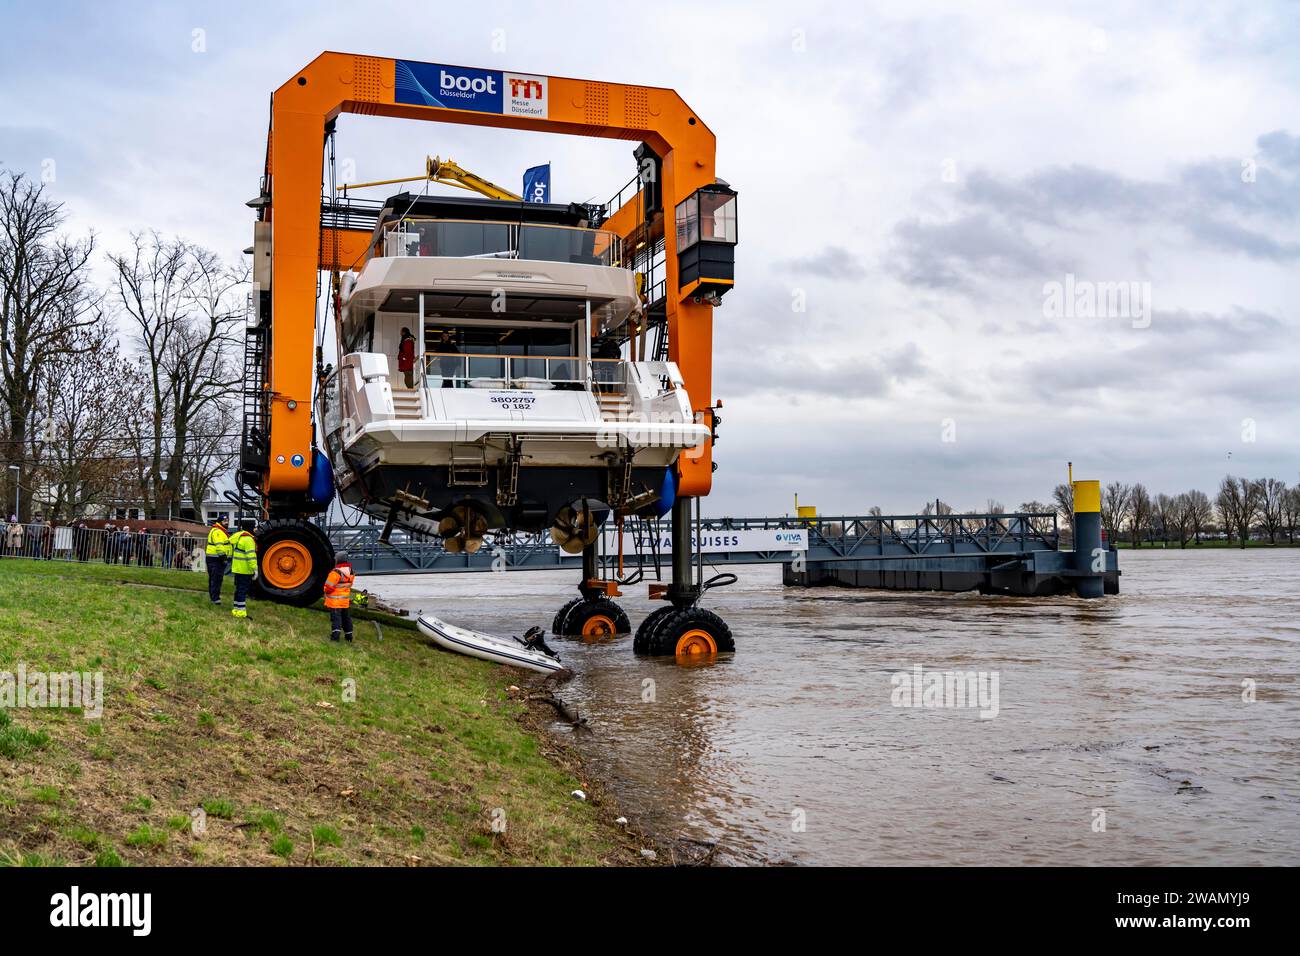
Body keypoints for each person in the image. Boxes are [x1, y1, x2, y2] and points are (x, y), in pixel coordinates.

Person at [322, 553, 356, 642]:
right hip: (344, 601)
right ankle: (349, 636)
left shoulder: (336, 572)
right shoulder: (351, 571)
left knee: (336, 619)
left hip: (335, 602)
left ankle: (335, 637)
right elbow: (350, 585)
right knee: (346, 619)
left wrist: (325, 591)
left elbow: (328, 586)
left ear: (338, 560)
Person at [228, 520, 258, 618]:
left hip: (237, 569)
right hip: (245, 570)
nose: (255, 529)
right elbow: (251, 556)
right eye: (254, 527)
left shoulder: (238, 537)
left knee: (238, 590)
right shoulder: (248, 539)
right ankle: (241, 612)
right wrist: (255, 569)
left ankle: (236, 610)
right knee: (242, 590)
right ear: (250, 528)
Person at [205, 516, 232, 605]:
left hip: (215, 558)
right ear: (219, 522)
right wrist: (223, 557)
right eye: (224, 521)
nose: (227, 522)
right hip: (216, 559)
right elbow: (219, 546)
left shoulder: (220, 531)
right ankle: (215, 599)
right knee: (216, 579)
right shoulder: (218, 531)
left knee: (215, 579)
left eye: (227, 520)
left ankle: (214, 598)